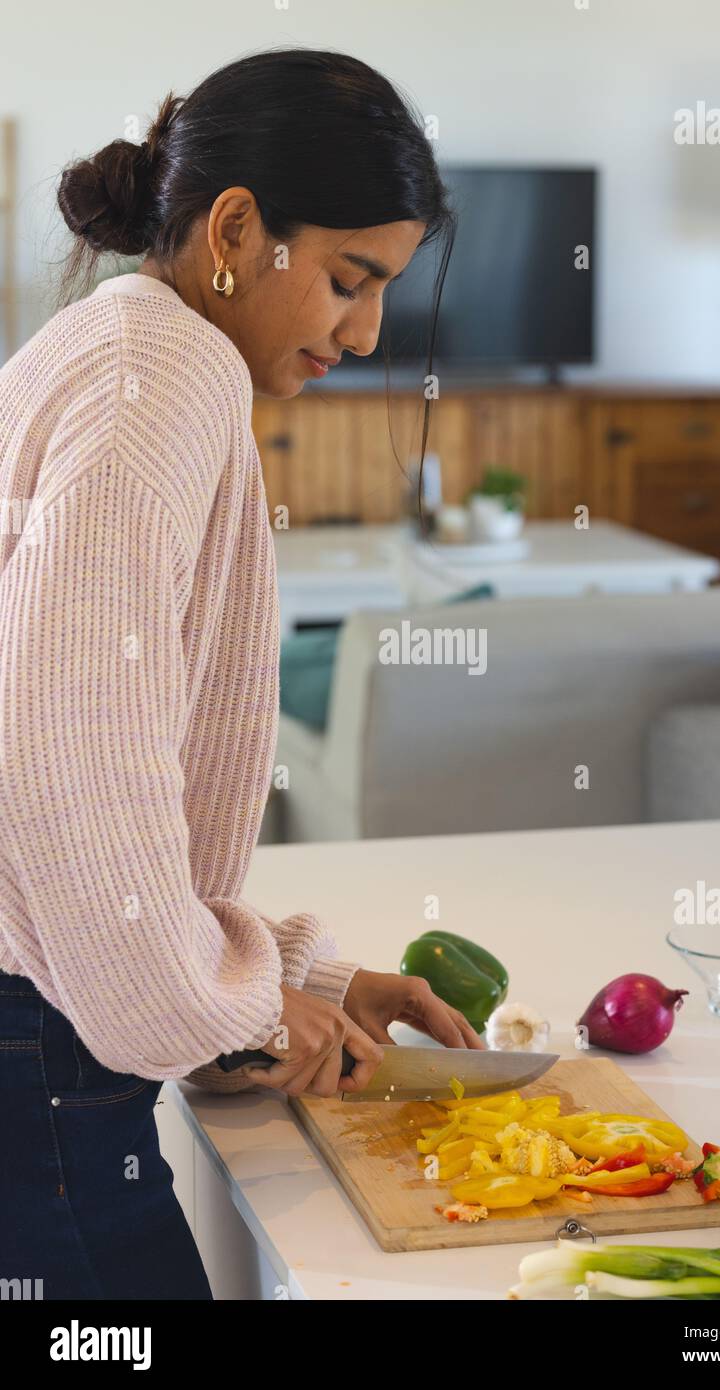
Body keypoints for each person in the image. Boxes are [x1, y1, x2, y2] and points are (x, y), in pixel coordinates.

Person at [0, 48, 482, 1300]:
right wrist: (241, 1011)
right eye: (346, 278)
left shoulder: (119, 347)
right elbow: (67, 769)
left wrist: (298, 977)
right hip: (33, 1059)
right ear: (233, 230)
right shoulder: (161, 378)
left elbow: (72, 812)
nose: (367, 332)